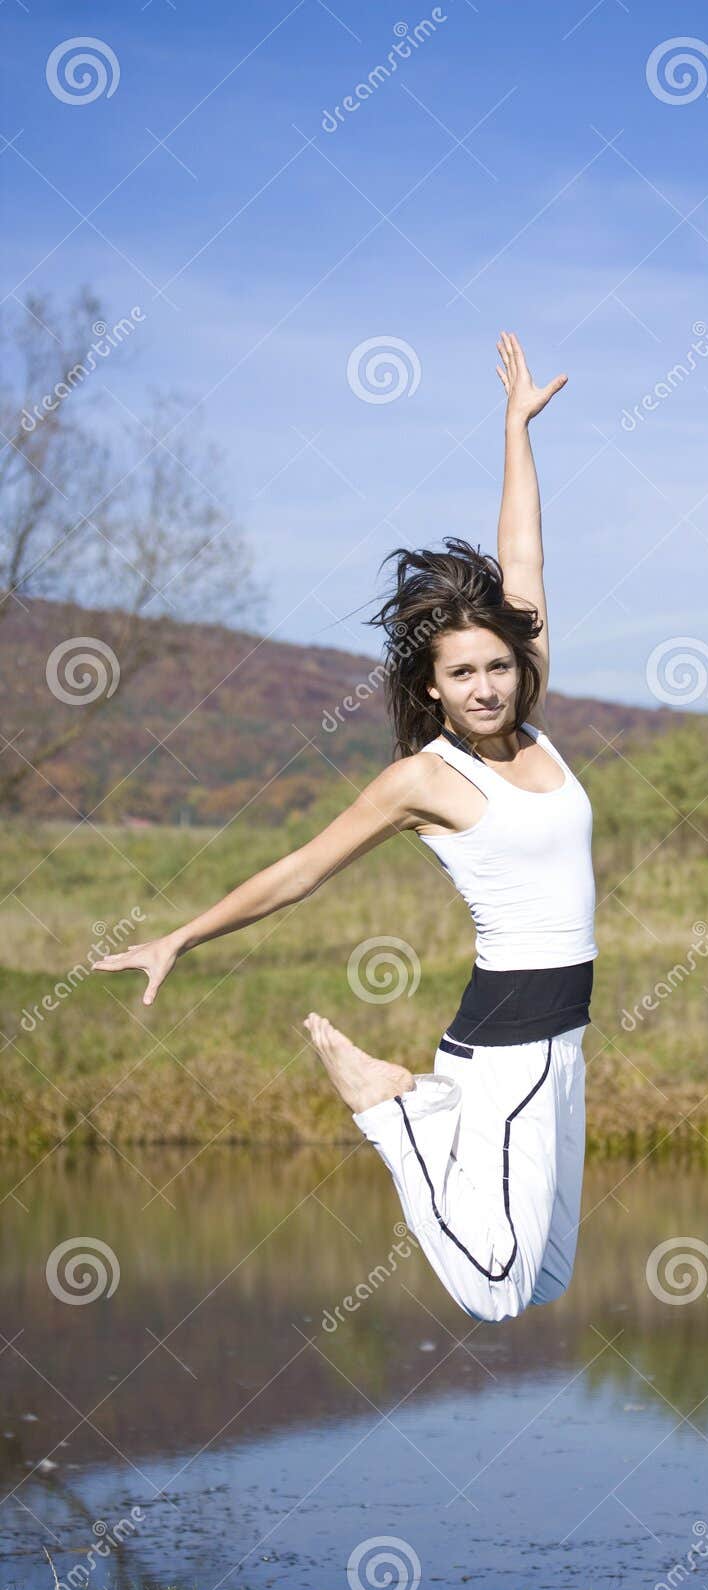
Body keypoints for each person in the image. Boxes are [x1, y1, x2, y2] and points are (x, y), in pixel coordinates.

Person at [91, 331, 596, 1324]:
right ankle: (389, 1111)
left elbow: (523, 553)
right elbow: (301, 869)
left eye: (497, 666)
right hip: (512, 1039)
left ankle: (422, 1104)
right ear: (431, 686)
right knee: (495, 1290)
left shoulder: (532, 722)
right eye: (462, 674)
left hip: (551, 1037)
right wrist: (180, 935)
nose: (486, 685)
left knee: (544, 1278)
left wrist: (514, 430)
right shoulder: (424, 779)